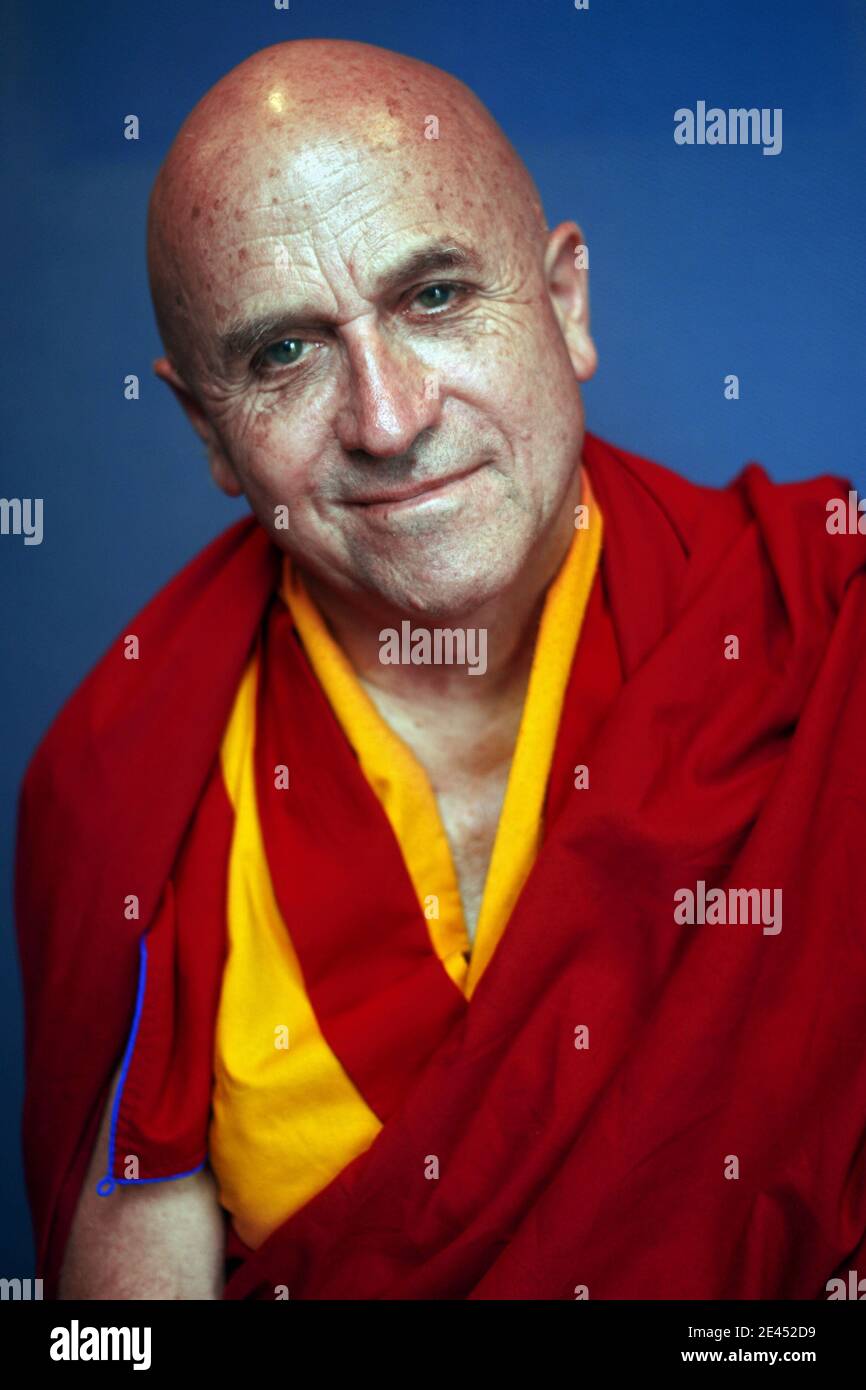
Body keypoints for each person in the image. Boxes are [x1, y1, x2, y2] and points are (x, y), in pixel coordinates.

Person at [15, 38, 866, 1301]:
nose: (389, 420)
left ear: (566, 303)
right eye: (284, 356)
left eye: (433, 298)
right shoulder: (130, 783)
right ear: (207, 431)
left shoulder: (817, 629)